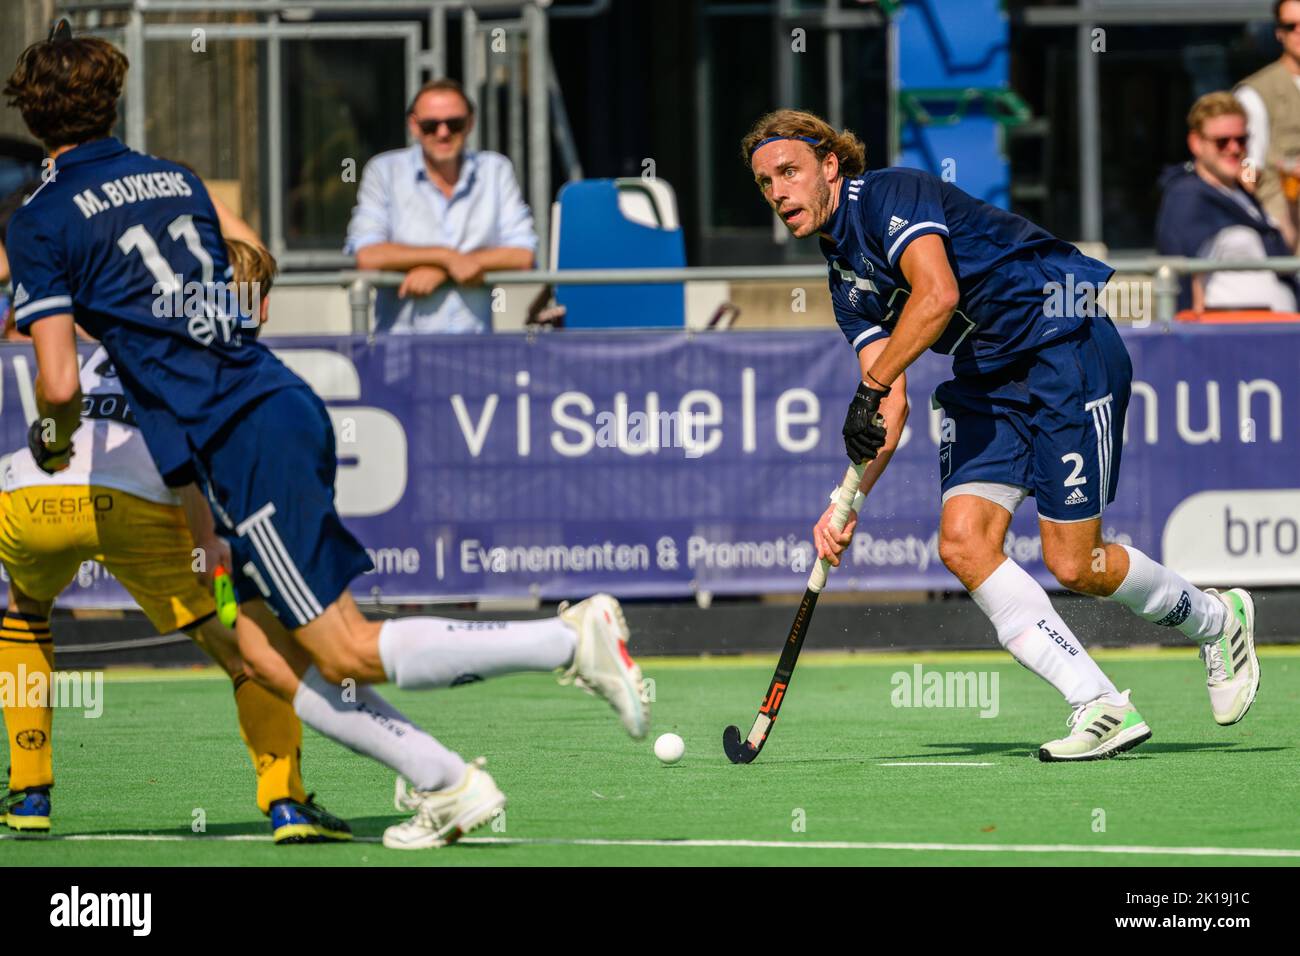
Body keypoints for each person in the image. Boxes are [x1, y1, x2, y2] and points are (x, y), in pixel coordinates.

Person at [4, 23, 648, 850]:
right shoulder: (174, 179)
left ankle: (568, 639)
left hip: (245, 432)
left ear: (31, 115)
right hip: (262, 407)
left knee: (341, 648)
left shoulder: (39, 220)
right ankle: (448, 782)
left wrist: (53, 436)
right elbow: (247, 263)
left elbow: (58, 383)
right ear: (113, 98)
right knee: (265, 653)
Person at [742, 109, 1260, 761]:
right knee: (963, 543)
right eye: (764, 183)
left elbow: (935, 295)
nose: (778, 192)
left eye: (788, 172)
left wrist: (871, 386)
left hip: (1060, 342)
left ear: (829, 166)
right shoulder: (845, 282)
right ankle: (1099, 704)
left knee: (1077, 563)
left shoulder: (889, 195)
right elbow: (891, 402)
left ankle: (1217, 622)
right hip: (988, 375)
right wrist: (846, 503)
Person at [0, 237, 349, 843]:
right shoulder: (225, 359)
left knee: (27, 610)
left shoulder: (136, 324)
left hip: (26, 492)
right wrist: (209, 545)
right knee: (247, 652)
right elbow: (182, 456)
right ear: (258, 307)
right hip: (136, 500)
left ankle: (29, 793)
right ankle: (287, 804)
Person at [344, 78, 536, 333]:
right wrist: (446, 258)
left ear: (470, 122)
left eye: (454, 123)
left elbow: (523, 254)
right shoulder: (384, 171)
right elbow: (368, 255)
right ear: (413, 125)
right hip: (400, 349)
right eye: (430, 125)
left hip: (474, 347)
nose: (443, 133)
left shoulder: (496, 169)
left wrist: (442, 271)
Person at [1156, 92, 1298, 313]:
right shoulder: (1188, 195)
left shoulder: (1239, 192)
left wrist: (1291, 203)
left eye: (1241, 140)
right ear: (1196, 143)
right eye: (1222, 142)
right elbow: (1187, 276)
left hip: (1273, 330)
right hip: (1231, 336)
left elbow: (1279, 255)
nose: (1234, 149)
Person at [1235, 0, 1300, 250]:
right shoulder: (1257, 94)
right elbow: (1249, 165)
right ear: (1279, 33)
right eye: (1292, 25)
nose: (1299, 32)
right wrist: (1248, 184)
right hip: (1285, 228)